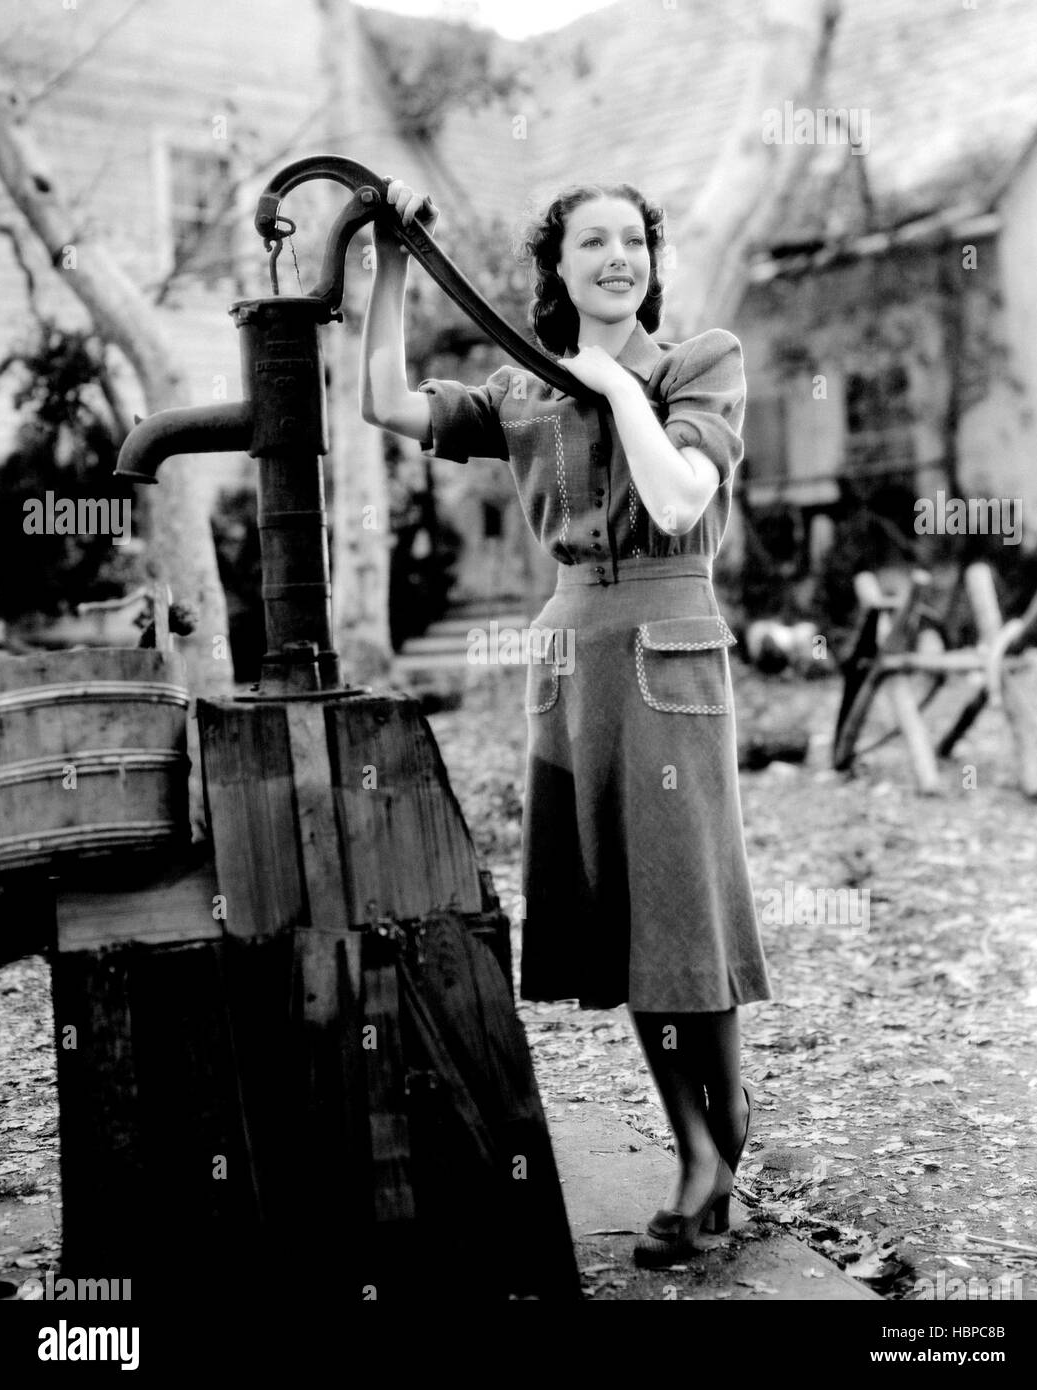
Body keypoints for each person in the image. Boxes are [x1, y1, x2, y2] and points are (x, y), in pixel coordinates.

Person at [359, 175, 772, 1266]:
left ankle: (718, 1138)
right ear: (556, 266)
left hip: (669, 643)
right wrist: (393, 256)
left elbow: (681, 498)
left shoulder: (697, 362)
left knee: (685, 911)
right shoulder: (520, 391)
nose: (614, 258)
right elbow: (385, 404)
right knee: (616, 915)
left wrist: (614, 387)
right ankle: (696, 1150)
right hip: (569, 657)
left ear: (649, 258)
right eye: (590, 242)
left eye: (630, 241)